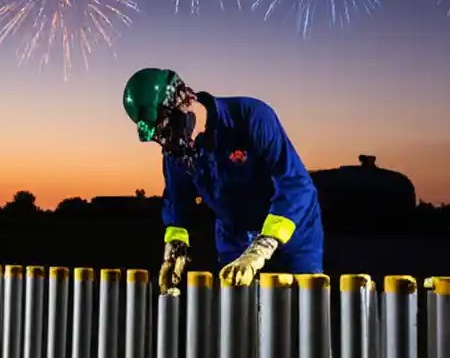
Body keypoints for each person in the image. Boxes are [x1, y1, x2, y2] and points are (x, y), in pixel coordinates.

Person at [121, 67, 324, 296]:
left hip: (292, 231)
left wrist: (264, 244)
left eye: (169, 129)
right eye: (162, 137)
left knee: (301, 307)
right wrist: (175, 251)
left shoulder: (251, 117)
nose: (170, 142)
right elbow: (177, 204)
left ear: (184, 102)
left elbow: (295, 185)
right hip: (235, 235)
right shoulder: (176, 152)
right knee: (237, 309)